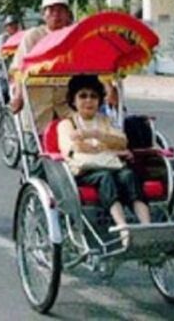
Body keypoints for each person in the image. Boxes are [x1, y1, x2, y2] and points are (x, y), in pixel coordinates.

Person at [57, 74, 151, 245]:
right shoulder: (67, 123)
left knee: (129, 175)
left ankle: (147, 226)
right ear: (73, 100)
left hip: (111, 165)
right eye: (83, 96)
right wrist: (105, 146)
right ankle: (122, 226)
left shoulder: (105, 121)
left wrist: (95, 136)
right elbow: (72, 148)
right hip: (84, 170)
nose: (88, 101)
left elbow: (122, 141)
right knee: (105, 178)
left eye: (93, 96)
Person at [9, 0, 73, 122]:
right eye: (51, 10)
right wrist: (18, 96)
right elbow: (19, 69)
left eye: (61, 10)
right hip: (37, 105)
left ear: (67, 15)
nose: (56, 15)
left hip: (66, 104)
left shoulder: (74, 36)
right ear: (44, 15)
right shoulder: (33, 36)